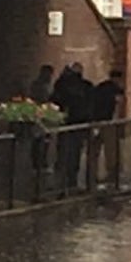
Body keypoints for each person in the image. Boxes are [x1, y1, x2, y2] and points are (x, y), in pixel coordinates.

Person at [55, 60, 94, 188]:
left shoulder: (62, 85)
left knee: (64, 150)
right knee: (75, 151)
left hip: (67, 122)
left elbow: (56, 100)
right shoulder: (87, 86)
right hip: (81, 122)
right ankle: (72, 177)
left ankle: (63, 177)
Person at [89, 67, 124, 184]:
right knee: (111, 150)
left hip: (95, 121)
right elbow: (117, 108)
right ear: (118, 79)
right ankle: (112, 175)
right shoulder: (117, 90)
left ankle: (91, 174)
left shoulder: (100, 87)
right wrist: (116, 121)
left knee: (94, 149)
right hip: (108, 122)